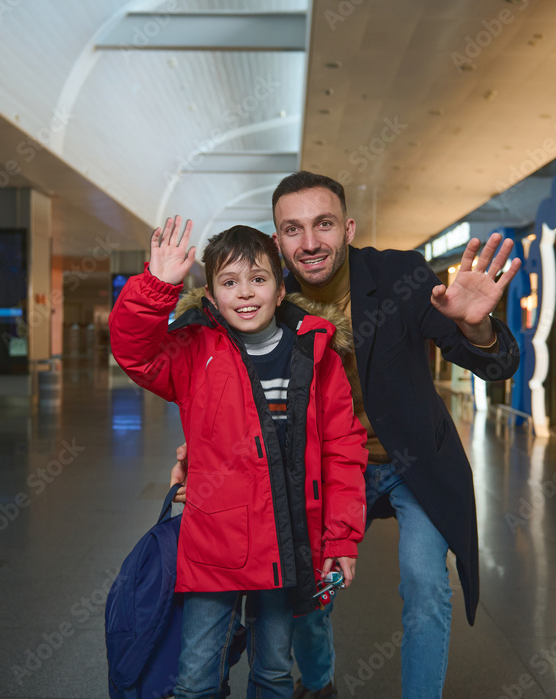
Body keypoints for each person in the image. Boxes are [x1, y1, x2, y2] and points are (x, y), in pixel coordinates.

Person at [269, 171, 521, 698]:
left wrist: (477, 326)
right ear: (277, 241)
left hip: (414, 464)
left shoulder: (399, 273)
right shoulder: (269, 298)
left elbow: (491, 363)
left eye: (324, 224)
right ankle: (318, 685)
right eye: (293, 230)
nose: (310, 242)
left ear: (349, 227)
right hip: (330, 469)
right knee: (310, 588)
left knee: (425, 583)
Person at [109, 218, 368, 698]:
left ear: (280, 286)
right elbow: (135, 354)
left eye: (258, 279)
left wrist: (343, 538)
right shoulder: (194, 351)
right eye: (230, 282)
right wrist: (155, 287)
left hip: (288, 544)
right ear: (211, 293)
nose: (245, 294)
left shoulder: (315, 352)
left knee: (272, 672)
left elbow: (342, 449)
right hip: (215, 544)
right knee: (195, 680)